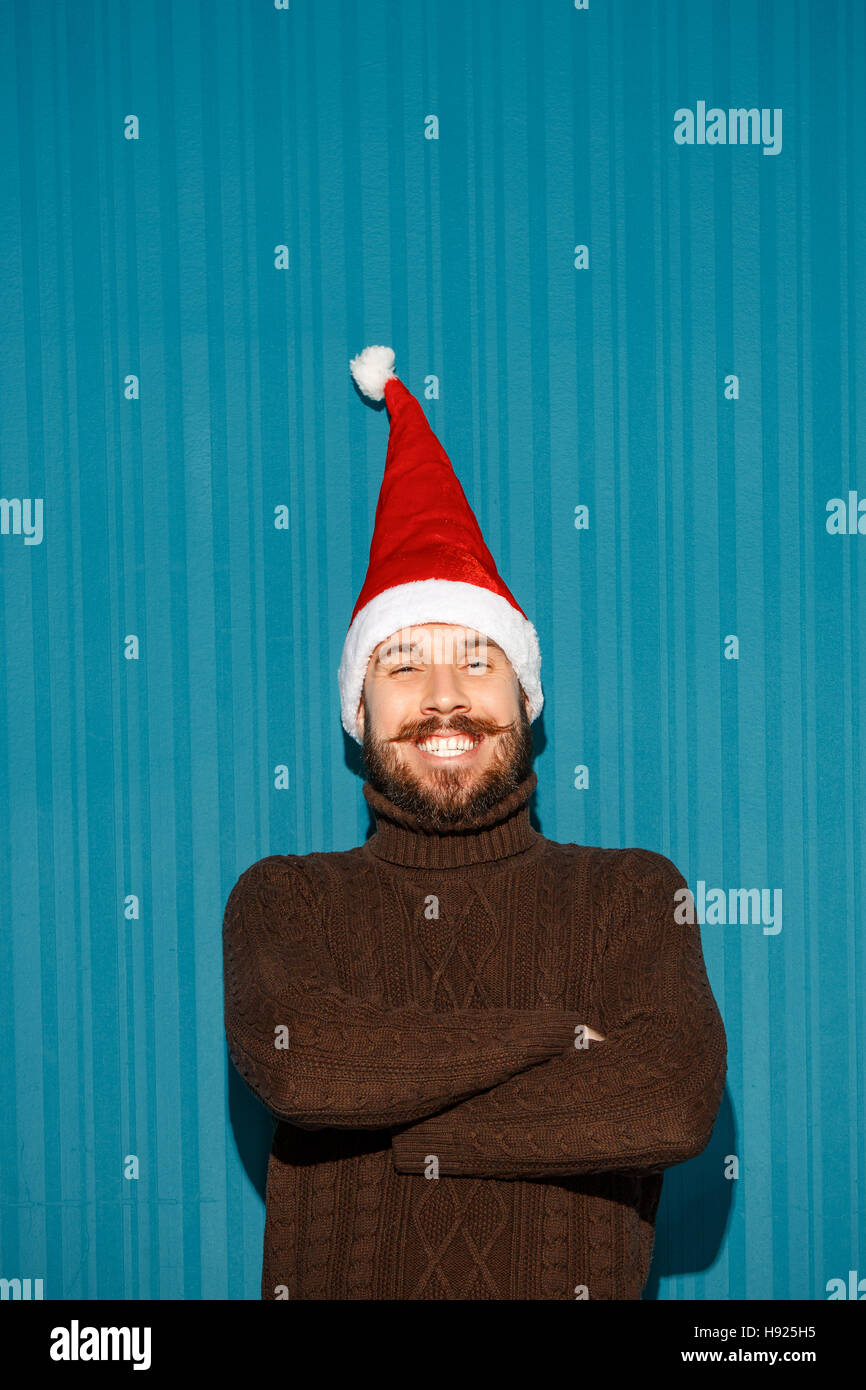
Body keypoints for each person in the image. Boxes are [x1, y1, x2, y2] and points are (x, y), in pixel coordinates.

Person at [222, 345, 727, 1300]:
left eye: (479, 663)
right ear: (359, 710)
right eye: (403, 664)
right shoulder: (284, 897)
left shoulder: (630, 891)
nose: (445, 700)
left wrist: (397, 1132)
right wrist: (572, 1037)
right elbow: (306, 1071)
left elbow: (668, 1099)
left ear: (528, 700)